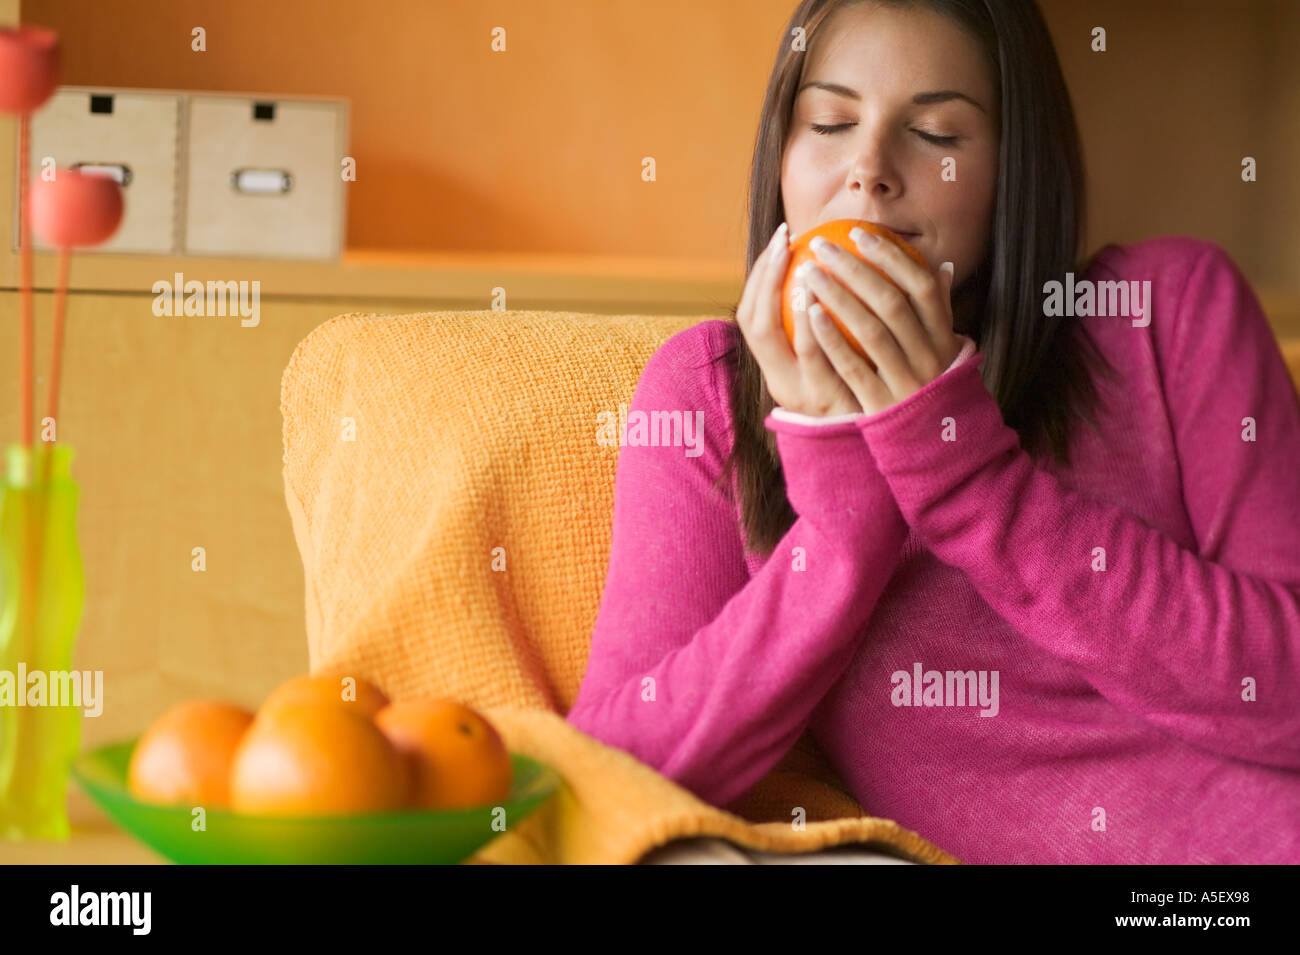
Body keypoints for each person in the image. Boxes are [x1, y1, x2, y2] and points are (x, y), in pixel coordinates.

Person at [566, 0, 1300, 864]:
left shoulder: (1163, 309)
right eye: (831, 122)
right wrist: (842, 517)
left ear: (1013, 174)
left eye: (939, 135)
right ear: (782, 160)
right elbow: (610, 769)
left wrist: (970, 477)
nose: (869, 171)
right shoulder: (707, 393)